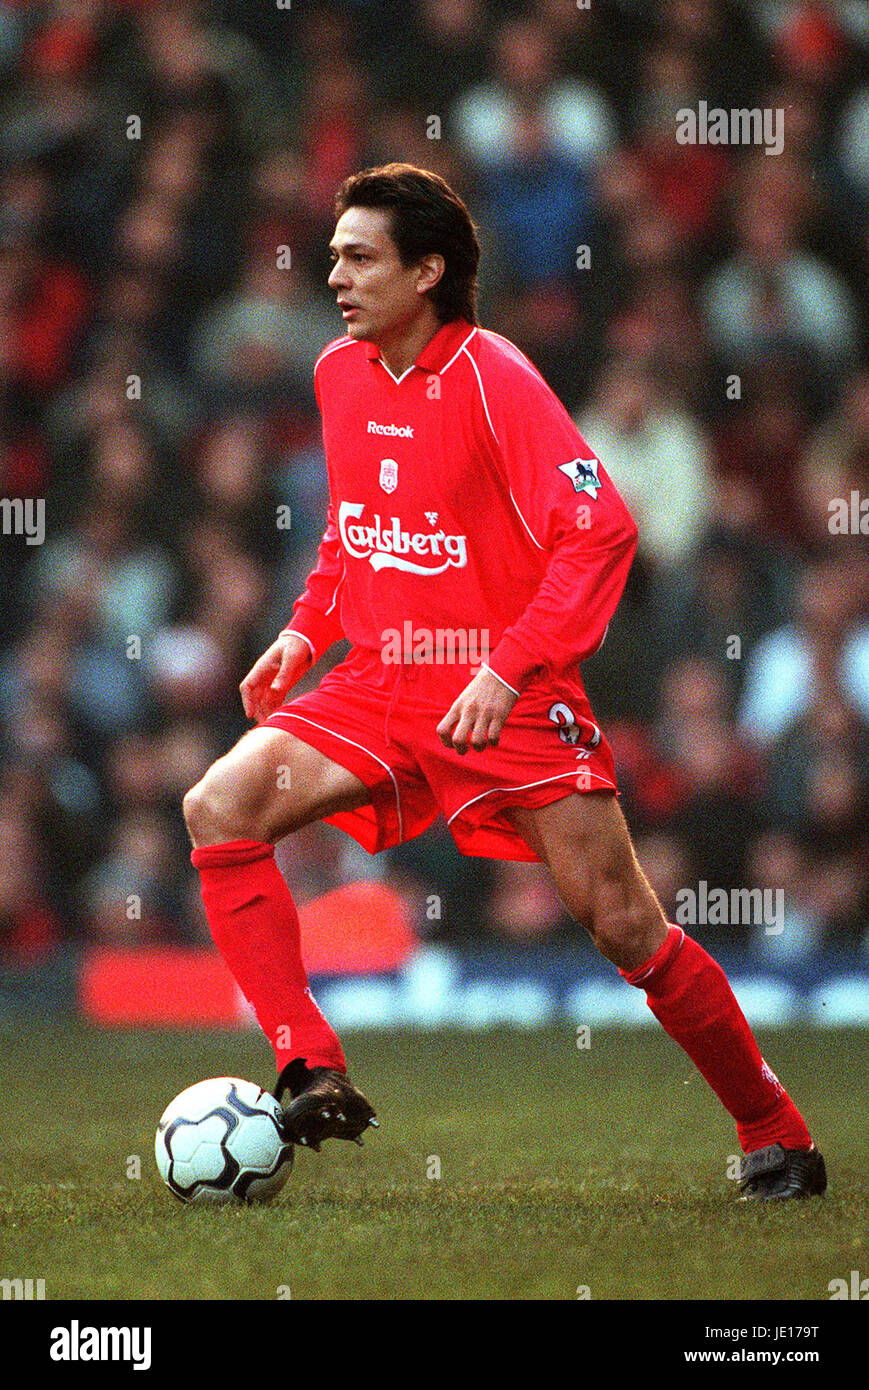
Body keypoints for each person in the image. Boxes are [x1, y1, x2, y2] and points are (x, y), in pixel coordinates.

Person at [183, 163, 825, 1200]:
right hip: (380, 680)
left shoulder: (494, 376)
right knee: (219, 803)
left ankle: (774, 1129)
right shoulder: (338, 375)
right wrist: (304, 635)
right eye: (334, 254)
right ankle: (308, 1064)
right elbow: (356, 536)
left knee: (622, 924)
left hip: (509, 695)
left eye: (359, 256)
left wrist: (507, 665)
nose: (334, 275)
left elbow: (599, 529)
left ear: (427, 269)